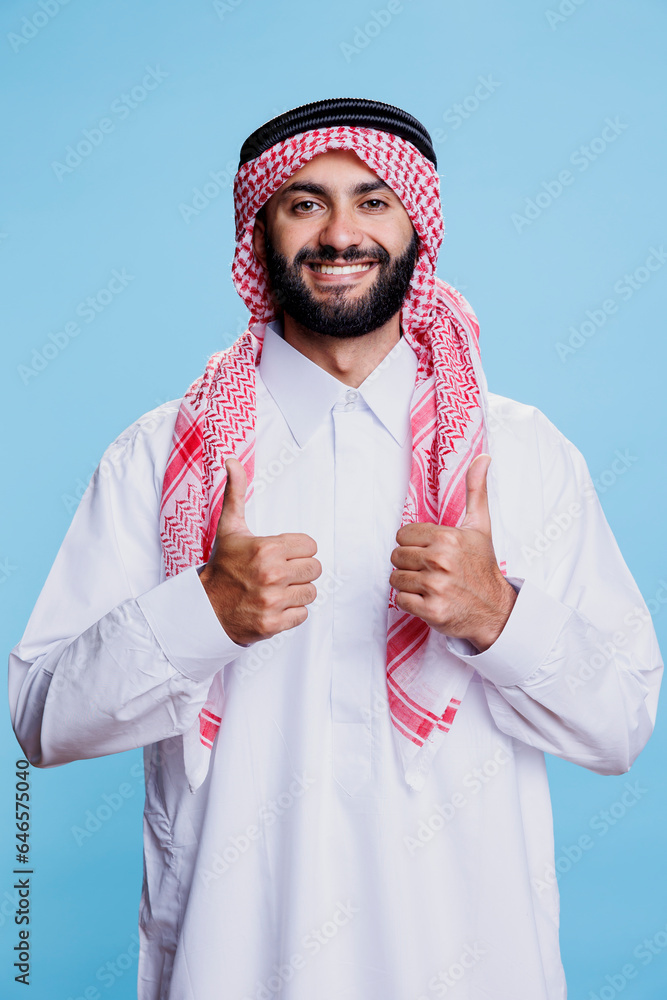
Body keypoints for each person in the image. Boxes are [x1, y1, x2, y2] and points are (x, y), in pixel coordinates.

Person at [9, 98, 663, 1000]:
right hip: (235, 967)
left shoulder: (519, 455)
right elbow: (41, 720)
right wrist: (197, 612)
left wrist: (500, 617)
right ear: (260, 231)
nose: (340, 232)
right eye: (305, 203)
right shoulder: (165, 456)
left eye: (373, 201)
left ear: (415, 229)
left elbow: (622, 723)